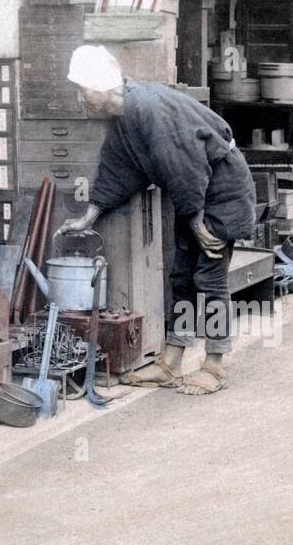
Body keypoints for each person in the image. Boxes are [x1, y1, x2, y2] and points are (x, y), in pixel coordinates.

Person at [58, 45, 256, 394]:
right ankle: (171, 363)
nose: (79, 99)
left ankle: (215, 365)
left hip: (221, 191)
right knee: (181, 278)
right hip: (196, 197)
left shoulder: (149, 109)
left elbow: (185, 166)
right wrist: (88, 217)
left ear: (100, 87)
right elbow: (118, 168)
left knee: (210, 279)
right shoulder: (125, 115)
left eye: (82, 90)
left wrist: (196, 222)